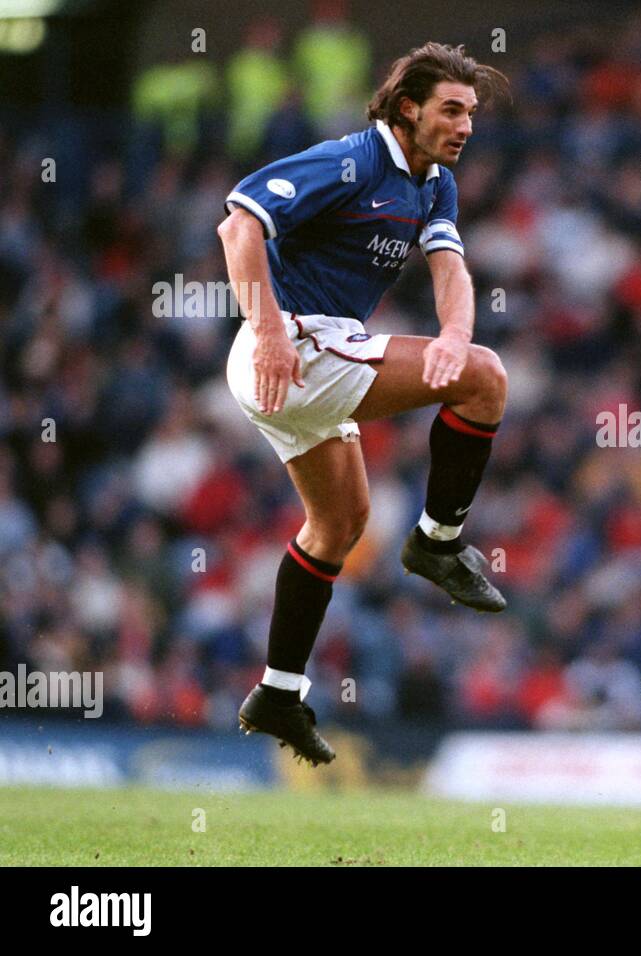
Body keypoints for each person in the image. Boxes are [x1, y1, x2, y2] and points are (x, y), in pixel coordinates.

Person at [219, 42, 508, 764]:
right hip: (291, 347)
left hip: (308, 360)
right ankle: (438, 544)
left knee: (339, 523)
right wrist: (267, 332)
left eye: (471, 112)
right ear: (407, 107)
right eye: (451, 109)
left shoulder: (434, 183)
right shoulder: (353, 161)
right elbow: (238, 225)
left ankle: (278, 693)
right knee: (488, 379)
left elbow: (452, 268)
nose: (465, 124)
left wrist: (455, 334)